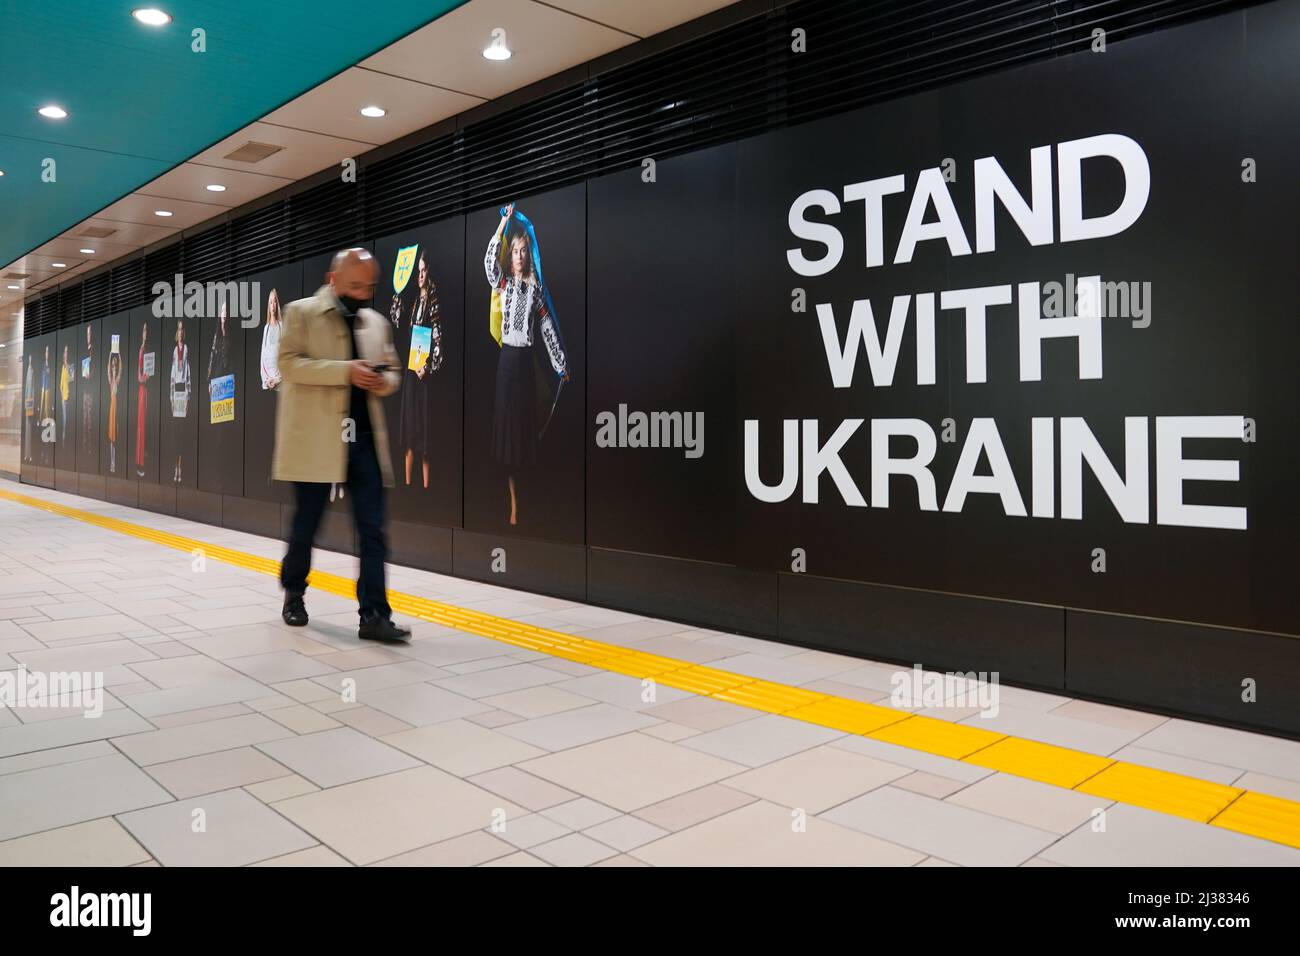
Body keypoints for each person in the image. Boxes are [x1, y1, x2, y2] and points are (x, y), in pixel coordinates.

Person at [273, 248, 410, 643]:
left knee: (373, 529)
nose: (362, 293)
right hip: (318, 438)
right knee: (307, 523)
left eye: (369, 286)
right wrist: (345, 372)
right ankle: (294, 594)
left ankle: (374, 616)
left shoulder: (376, 323)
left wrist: (381, 380)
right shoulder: (299, 313)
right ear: (333, 279)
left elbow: (393, 371)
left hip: (363, 439)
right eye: (354, 285)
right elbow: (289, 365)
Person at [484, 203, 569, 525]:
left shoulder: (536, 291)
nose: (518, 255)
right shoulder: (502, 284)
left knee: (524, 428)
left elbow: (547, 330)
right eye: (515, 251)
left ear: (528, 254)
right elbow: (489, 263)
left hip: (524, 365)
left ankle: (527, 501)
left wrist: (560, 364)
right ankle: (509, 502)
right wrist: (504, 224)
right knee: (506, 427)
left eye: (523, 250)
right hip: (506, 361)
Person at [398, 251, 441, 488]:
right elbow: (396, 319)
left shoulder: (434, 301)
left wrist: (429, 366)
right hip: (410, 370)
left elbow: (439, 336)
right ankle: (407, 486)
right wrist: (398, 291)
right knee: (409, 428)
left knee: (423, 432)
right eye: (418, 271)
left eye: (424, 270)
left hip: (424, 373)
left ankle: (425, 489)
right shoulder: (414, 301)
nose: (421, 275)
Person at [169, 320, 190, 483]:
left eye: (182, 329)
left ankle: (180, 469)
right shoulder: (176, 350)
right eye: (179, 329)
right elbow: (172, 376)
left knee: (182, 436)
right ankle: (175, 467)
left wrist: (188, 397)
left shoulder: (186, 349)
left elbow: (187, 374)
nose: (181, 332)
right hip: (176, 395)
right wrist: (171, 398)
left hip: (183, 395)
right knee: (175, 435)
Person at [260, 288, 282, 389]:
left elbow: (285, 352)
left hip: (280, 378)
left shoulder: (282, 326)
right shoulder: (266, 328)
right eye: (270, 303)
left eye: (274, 302)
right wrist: (267, 379)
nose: (272, 306)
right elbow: (263, 355)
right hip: (268, 379)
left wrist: (278, 378)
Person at [135, 325, 150, 477]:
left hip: (148, 391)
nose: (146, 332)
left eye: (147, 330)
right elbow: (139, 377)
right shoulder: (141, 351)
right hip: (142, 391)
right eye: (144, 330)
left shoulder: (148, 351)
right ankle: (140, 463)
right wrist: (146, 377)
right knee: (141, 427)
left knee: (147, 426)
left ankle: (144, 460)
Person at [80, 325, 94, 460]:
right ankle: (85, 450)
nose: (88, 336)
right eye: (87, 334)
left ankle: (90, 449)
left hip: (92, 392)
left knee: (90, 423)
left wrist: (92, 375)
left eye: (90, 333)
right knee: (84, 421)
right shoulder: (84, 351)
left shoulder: (94, 351)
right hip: (85, 390)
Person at [107, 351, 122, 474]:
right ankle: (111, 463)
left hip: (117, 409)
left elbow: (121, 369)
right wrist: (110, 355)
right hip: (112, 408)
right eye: (112, 366)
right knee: (111, 438)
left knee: (115, 439)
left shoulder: (117, 380)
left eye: (115, 366)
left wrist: (119, 355)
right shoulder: (111, 380)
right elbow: (107, 370)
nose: (114, 368)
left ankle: (115, 463)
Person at [23, 355, 34, 463]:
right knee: (28, 427)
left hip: (31, 403)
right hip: (29, 404)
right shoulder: (29, 371)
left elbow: (31, 389)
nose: (30, 359)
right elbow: (28, 390)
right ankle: (27, 454)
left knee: (30, 428)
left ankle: (29, 454)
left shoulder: (31, 371)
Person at [59, 345, 71, 444]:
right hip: (64, 398)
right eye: (65, 352)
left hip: (70, 398)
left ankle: (67, 440)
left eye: (67, 352)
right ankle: (63, 440)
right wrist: (62, 397)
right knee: (64, 420)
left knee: (68, 421)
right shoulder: (63, 367)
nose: (65, 354)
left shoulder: (70, 366)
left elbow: (72, 380)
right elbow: (61, 384)